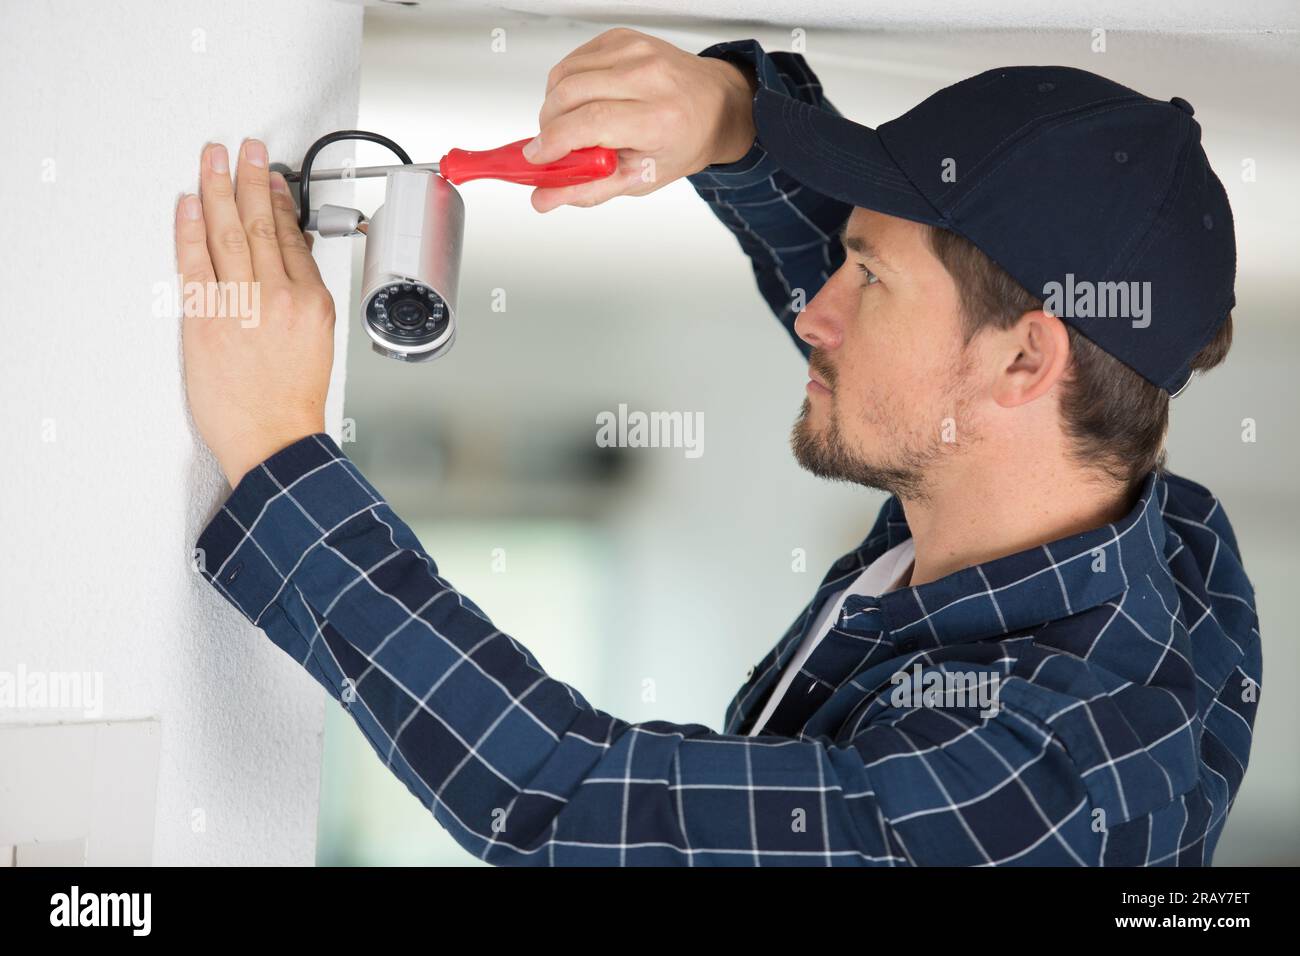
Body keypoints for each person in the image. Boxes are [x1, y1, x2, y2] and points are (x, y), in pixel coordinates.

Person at [174, 27, 1261, 865]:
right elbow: (921, 349)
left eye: (868, 278)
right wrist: (735, 123)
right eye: (849, 261)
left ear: (1026, 364)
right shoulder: (1132, 532)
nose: (814, 311)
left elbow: (568, 799)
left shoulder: (1043, 789)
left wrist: (280, 451)